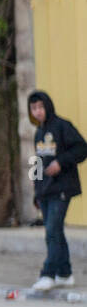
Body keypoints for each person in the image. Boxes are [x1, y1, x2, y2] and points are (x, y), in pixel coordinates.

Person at [28, 90, 86, 291]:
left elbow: (81, 149)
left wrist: (61, 162)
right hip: (45, 191)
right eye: (33, 108)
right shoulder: (39, 133)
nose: (37, 112)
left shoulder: (62, 126)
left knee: (52, 229)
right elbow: (37, 163)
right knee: (55, 231)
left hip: (62, 188)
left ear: (48, 106)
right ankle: (65, 273)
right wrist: (36, 192)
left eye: (40, 107)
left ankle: (48, 273)